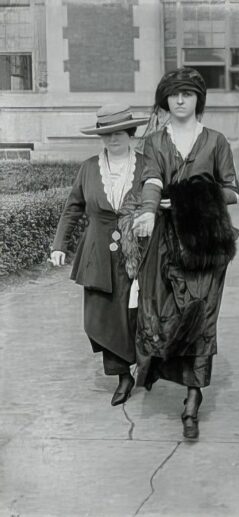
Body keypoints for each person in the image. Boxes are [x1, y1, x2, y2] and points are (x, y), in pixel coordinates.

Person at [131, 67, 239, 440]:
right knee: (165, 314)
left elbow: (231, 190)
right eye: (173, 95)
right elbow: (152, 180)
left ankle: (193, 401)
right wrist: (147, 210)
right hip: (166, 243)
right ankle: (168, 375)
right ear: (165, 101)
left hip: (207, 243)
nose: (180, 101)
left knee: (202, 317)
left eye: (187, 94)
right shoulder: (155, 142)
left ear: (198, 100)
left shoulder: (216, 141)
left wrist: (186, 197)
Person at [50, 104, 149, 406]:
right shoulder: (89, 167)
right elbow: (73, 207)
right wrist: (58, 244)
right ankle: (123, 375)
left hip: (137, 250)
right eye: (106, 134)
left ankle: (144, 367)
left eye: (118, 133)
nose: (112, 139)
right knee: (99, 317)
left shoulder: (147, 166)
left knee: (136, 314)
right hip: (97, 252)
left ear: (130, 133)